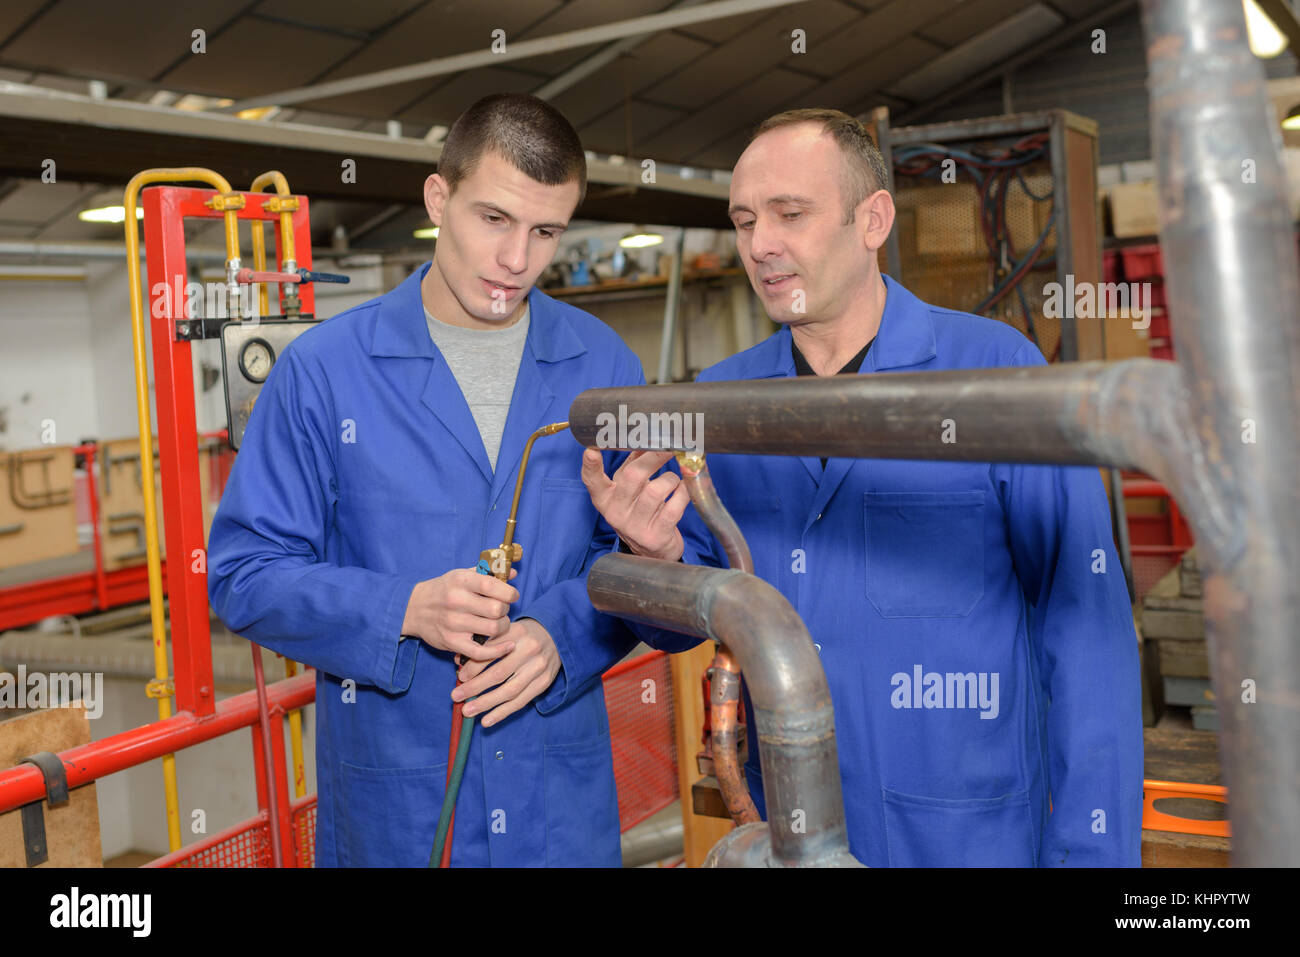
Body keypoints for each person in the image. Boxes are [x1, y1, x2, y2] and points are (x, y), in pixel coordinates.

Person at [581, 108, 1143, 867]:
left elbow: (1087, 633)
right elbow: (685, 625)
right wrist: (656, 559)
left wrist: (1092, 852)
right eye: (745, 220)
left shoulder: (992, 377)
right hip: (794, 825)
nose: (761, 245)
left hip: (971, 836)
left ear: (872, 219)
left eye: (790, 214)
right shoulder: (718, 402)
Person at [207, 93, 649, 867]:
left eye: (546, 231)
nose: (518, 259)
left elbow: (638, 562)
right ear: (438, 198)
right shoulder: (324, 373)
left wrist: (562, 632)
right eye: (494, 219)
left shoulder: (605, 366)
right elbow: (244, 574)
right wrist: (402, 608)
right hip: (397, 822)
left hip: (559, 820)